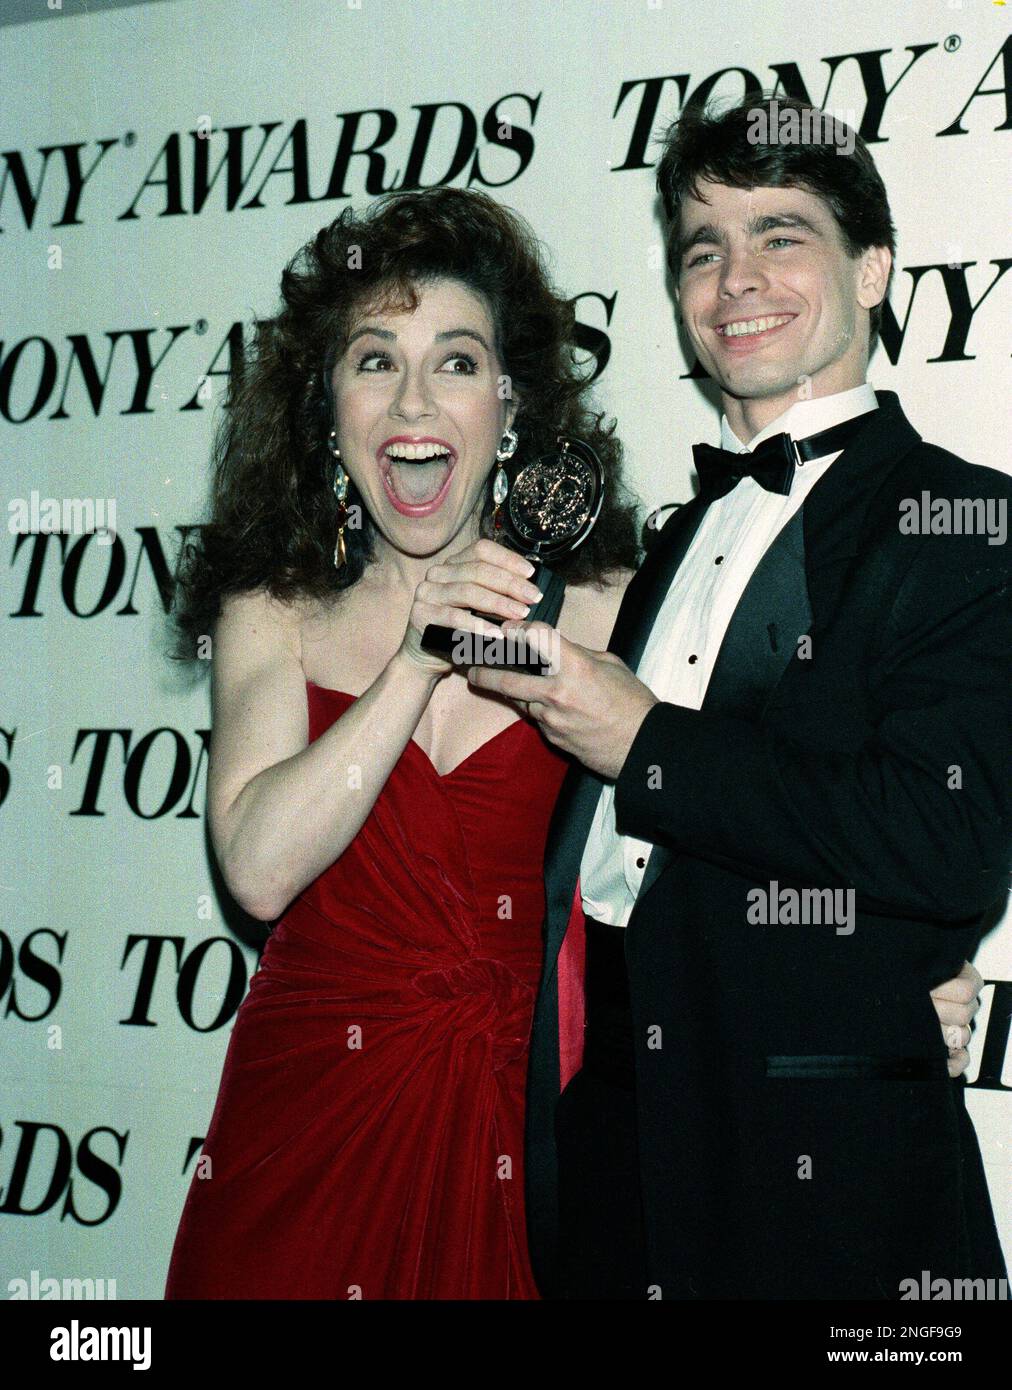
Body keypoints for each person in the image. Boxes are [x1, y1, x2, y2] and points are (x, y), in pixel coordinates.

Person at [469, 96, 1010, 1299]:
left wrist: (643, 740)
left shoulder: (963, 521)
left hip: (816, 1179)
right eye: (700, 248)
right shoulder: (675, 538)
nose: (734, 278)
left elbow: (946, 842)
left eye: (781, 233)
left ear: (872, 269)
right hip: (617, 1143)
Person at [163, 186, 641, 1299]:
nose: (414, 398)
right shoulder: (272, 609)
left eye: (458, 361)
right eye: (374, 360)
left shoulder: (609, 611)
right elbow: (259, 868)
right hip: (304, 1142)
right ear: (329, 409)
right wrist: (418, 658)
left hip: (526, 1143)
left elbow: (718, 846)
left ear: (511, 403)